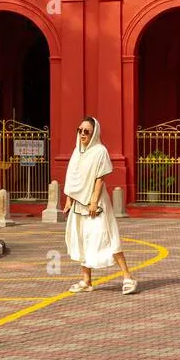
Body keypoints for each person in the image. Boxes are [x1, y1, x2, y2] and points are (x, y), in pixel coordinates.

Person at [63, 116, 138, 295]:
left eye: (86, 131)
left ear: (94, 133)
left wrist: (94, 201)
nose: (82, 134)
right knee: (82, 238)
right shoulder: (77, 151)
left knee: (108, 236)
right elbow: (72, 177)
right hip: (78, 204)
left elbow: (100, 178)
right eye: (80, 130)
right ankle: (86, 280)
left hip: (96, 204)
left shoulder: (100, 151)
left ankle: (128, 277)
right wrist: (68, 200)